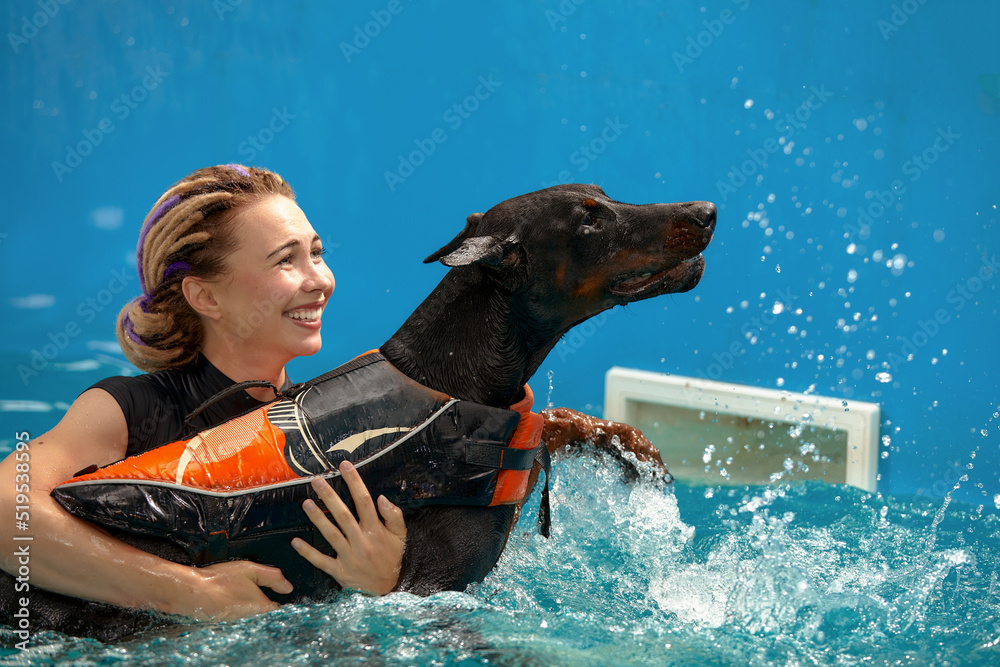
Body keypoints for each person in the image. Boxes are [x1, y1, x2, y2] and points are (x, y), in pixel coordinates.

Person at [0, 165, 406, 631]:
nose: (319, 280)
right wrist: (188, 592)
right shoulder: (134, 410)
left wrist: (382, 587)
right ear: (205, 297)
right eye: (285, 260)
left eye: (317, 253)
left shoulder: (328, 428)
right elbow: (8, 508)